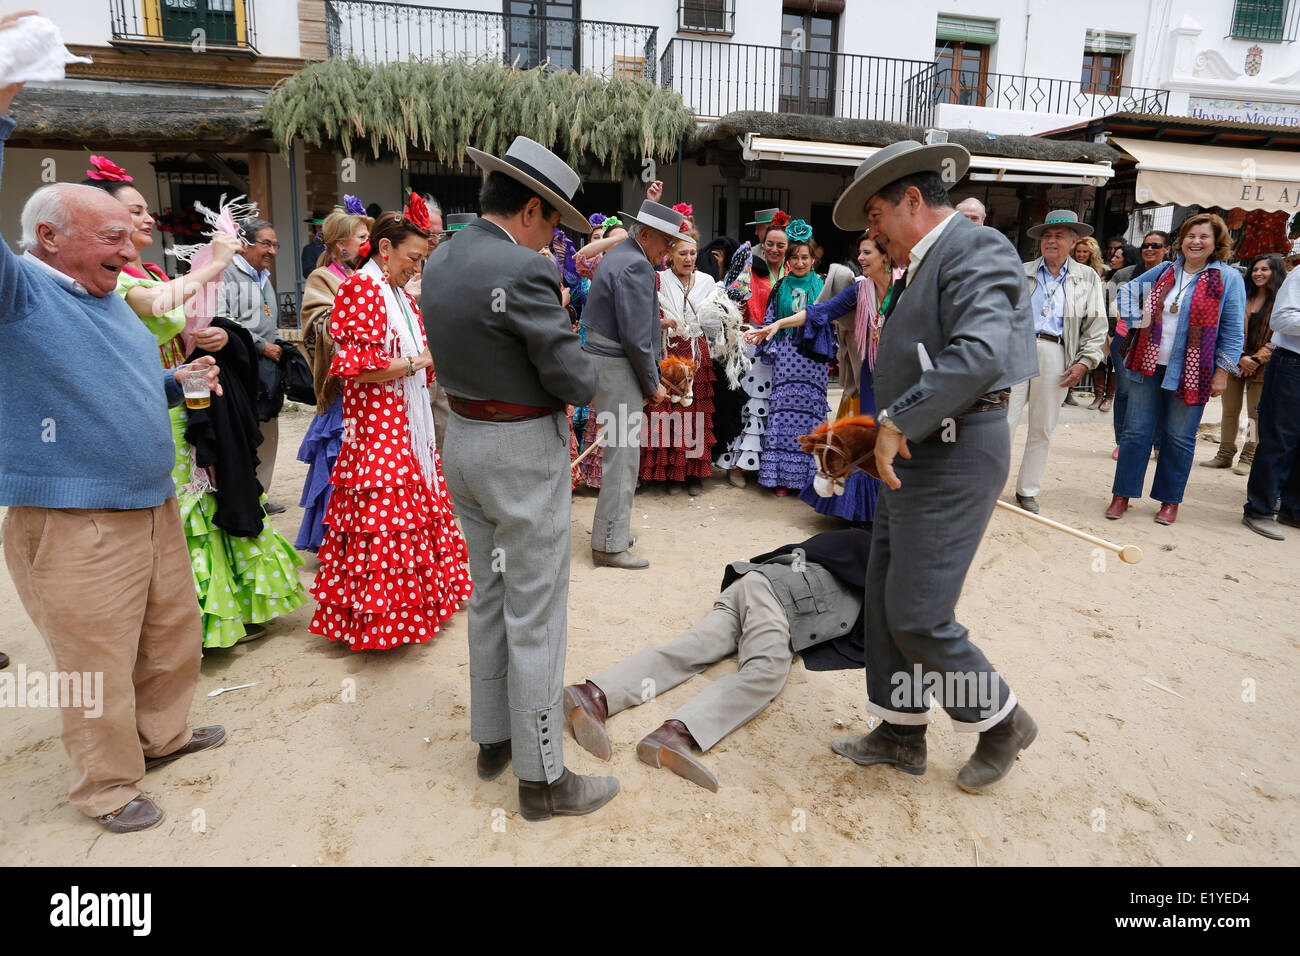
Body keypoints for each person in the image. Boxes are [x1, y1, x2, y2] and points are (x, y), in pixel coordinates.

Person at [0, 65, 226, 833]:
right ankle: (105, 787)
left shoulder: (110, 296)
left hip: (151, 502)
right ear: (50, 238)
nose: (132, 247)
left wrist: (176, 382)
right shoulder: (21, 291)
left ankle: (162, 737)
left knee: (170, 633)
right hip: (74, 521)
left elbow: (111, 385)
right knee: (94, 663)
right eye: (113, 236)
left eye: (132, 236)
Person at [827, 139, 1040, 793]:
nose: (873, 235)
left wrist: (894, 423)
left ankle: (1000, 719)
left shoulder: (977, 248)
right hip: (916, 455)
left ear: (912, 201)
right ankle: (899, 730)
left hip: (955, 452)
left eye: (875, 218)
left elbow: (978, 355)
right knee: (889, 601)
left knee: (919, 612)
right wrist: (868, 432)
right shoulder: (921, 264)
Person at [425, 135, 618, 821]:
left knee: (490, 595)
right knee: (535, 613)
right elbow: (577, 378)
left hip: (466, 442)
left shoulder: (443, 255)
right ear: (532, 207)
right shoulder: (525, 270)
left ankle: (494, 736)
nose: (555, 237)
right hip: (519, 450)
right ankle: (543, 781)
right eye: (554, 222)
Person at [87, 162, 307, 648]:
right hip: (152, 406)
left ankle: (236, 609)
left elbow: (178, 314)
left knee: (215, 497)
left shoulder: (145, 270)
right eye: (134, 210)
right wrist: (215, 264)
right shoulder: (115, 280)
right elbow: (155, 306)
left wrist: (216, 332)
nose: (146, 219)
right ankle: (196, 627)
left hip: (185, 393)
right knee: (189, 511)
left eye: (147, 209)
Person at [563, 529, 871, 791]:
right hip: (782, 603)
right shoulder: (886, 558)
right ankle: (676, 734)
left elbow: (792, 551)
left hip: (751, 582)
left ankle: (595, 695)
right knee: (762, 675)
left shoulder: (855, 540)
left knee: (690, 649)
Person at [308, 197, 472, 650]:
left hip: (404, 422)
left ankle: (414, 611)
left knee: (409, 517)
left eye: (420, 259)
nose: (416, 268)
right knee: (386, 523)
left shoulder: (395, 292)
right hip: (379, 428)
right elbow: (355, 366)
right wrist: (416, 362)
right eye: (412, 258)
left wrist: (427, 361)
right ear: (384, 248)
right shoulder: (362, 289)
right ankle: (383, 622)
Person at [1106, 213, 1245, 525]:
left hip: (1192, 371)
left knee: (1179, 436)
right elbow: (1127, 290)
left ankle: (1169, 501)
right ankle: (1122, 495)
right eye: (1190, 236)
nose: (1195, 242)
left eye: (1203, 237)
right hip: (1147, 363)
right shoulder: (1167, 269)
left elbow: (1235, 331)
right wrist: (1136, 319)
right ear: (1181, 241)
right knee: (1136, 432)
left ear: (1216, 243)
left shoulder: (1228, 278)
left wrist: (1222, 372)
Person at [768, 231, 896, 524]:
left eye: (867, 253)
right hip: (872, 374)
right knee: (871, 437)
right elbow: (818, 312)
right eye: (860, 253)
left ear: (886, 257)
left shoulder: (906, 288)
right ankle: (867, 514)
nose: (860, 258)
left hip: (904, 376)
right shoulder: (860, 291)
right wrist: (777, 324)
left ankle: (900, 511)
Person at [582, 199, 679, 570]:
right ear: (647, 234)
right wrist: (653, 383)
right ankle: (609, 545)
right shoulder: (636, 264)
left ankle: (613, 533)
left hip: (606, 362)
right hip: (618, 366)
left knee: (618, 455)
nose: (668, 252)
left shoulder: (620, 254)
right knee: (622, 459)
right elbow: (637, 340)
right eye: (666, 243)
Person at [1006, 210, 1106, 513]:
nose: (1051, 241)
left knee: (1042, 426)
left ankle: (1027, 490)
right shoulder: (1021, 271)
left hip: (1056, 352)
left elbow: (1097, 325)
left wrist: (1084, 362)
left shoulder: (1086, 277)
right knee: (1001, 422)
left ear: (1074, 240)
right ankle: (988, 485)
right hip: (1016, 350)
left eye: (1059, 236)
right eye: (1046, 236)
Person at [296, 208, 370, 552]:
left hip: (370, 388)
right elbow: (316, 326)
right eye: (362, 237)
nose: (368, 243)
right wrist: (357, 312)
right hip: (341, 390)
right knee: (339, 462)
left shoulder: (368, 275)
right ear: (341, 244)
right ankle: (336, 539)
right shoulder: (322, 278)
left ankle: (363, 536)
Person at [746, 222, 826, 495]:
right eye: (795, 257)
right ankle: (780, 477)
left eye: (805, 257)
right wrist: (765, 341)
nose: (800, 262)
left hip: (813, 358)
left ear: (814, 259)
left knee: (810, 416)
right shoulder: (780, 287)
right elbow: (769, 319)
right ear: (788, 261)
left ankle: (807, 479)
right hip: (787, 356)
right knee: (783, 415)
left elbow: (831, 321)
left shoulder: (824, 285)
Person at [641, 223, 716, 496]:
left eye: (693, 253)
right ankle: (672, 474)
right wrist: (664, 323)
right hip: (669, 351)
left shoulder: (708, 282)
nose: (688, 259)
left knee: (696, 413)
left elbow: (714, 318)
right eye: (683, 253)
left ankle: (694, 474)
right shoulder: (659, 279)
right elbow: (647, 315)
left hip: (697, 353)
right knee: (669, 413)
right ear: (670, 253)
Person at [218, 217, 286, 511]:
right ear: (244, 244)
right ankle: (244, 496)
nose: (272, 250)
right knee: (243, 430)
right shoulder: (226, 274)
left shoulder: (264, 276)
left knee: (267, 430)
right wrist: (261, 345)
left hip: (267, 368)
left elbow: (269, 319)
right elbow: (223, 318)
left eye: (275, 244)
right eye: (266, 243)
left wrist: (279, 342)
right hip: (240, 366)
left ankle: (260, 496)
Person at [1203, 254, 1283, 474]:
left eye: (1264, 269)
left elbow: (1279, 337)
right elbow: (1227, 327)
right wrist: (1239, 356)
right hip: (1234, 361)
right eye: (1255, 269)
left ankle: (1248, 456)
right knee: (1229, 410)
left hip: (1262, 365)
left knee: (1255, 414)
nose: (1258, 273)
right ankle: (1224, 454)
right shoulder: (1242, 296)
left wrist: (1256, 359)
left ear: (1275, 272)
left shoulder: (1281, 301)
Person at [1242, 263, 1300, 540]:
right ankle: (1259, 510)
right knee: (1279, 439)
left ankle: (1292, 510)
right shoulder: (1299, 275)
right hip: (1292, 364)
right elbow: (1281, 320)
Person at [300, 210, 327, 279]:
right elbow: (307, 272)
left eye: (326, 226)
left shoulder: (337, 246)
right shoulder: (309, 249)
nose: (323, 230)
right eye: (320, 227)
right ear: (315, 228)